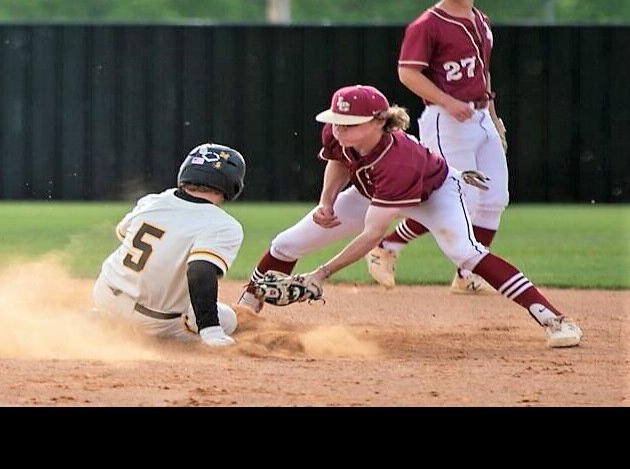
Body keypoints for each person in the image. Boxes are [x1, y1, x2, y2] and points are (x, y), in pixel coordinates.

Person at [239, 85, 582, 348]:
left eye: (349, 124)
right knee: (286, 244)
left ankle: (555, 320)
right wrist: (326, 201)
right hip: (372, 192)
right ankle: (244, 314)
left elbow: (374, 235)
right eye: (336, 121)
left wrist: (322, 273)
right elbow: (339, 158)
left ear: (378, 122)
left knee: (465, 252)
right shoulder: (338, 131)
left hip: (435, 193)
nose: (339, 129)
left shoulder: (397, 160)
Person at [366, 0, 509, 294]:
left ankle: (466, 274)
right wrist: (448, 102)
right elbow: (408, 73)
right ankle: (387, 246)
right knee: (456, 198)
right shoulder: (427, 25)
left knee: (494, 198)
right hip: (447, 119)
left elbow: (484, 75)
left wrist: (494, 119)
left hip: (480, 114)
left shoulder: (480, 19)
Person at [93, 143, 250, 347]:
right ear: (233, 182)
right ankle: (145, 332)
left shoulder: (152, 200)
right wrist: (211, 329)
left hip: (105, 295)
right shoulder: (224, 225)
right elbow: (200, 272)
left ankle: (107, 320)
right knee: (228, 318)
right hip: (156, 320)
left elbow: (124, 233)